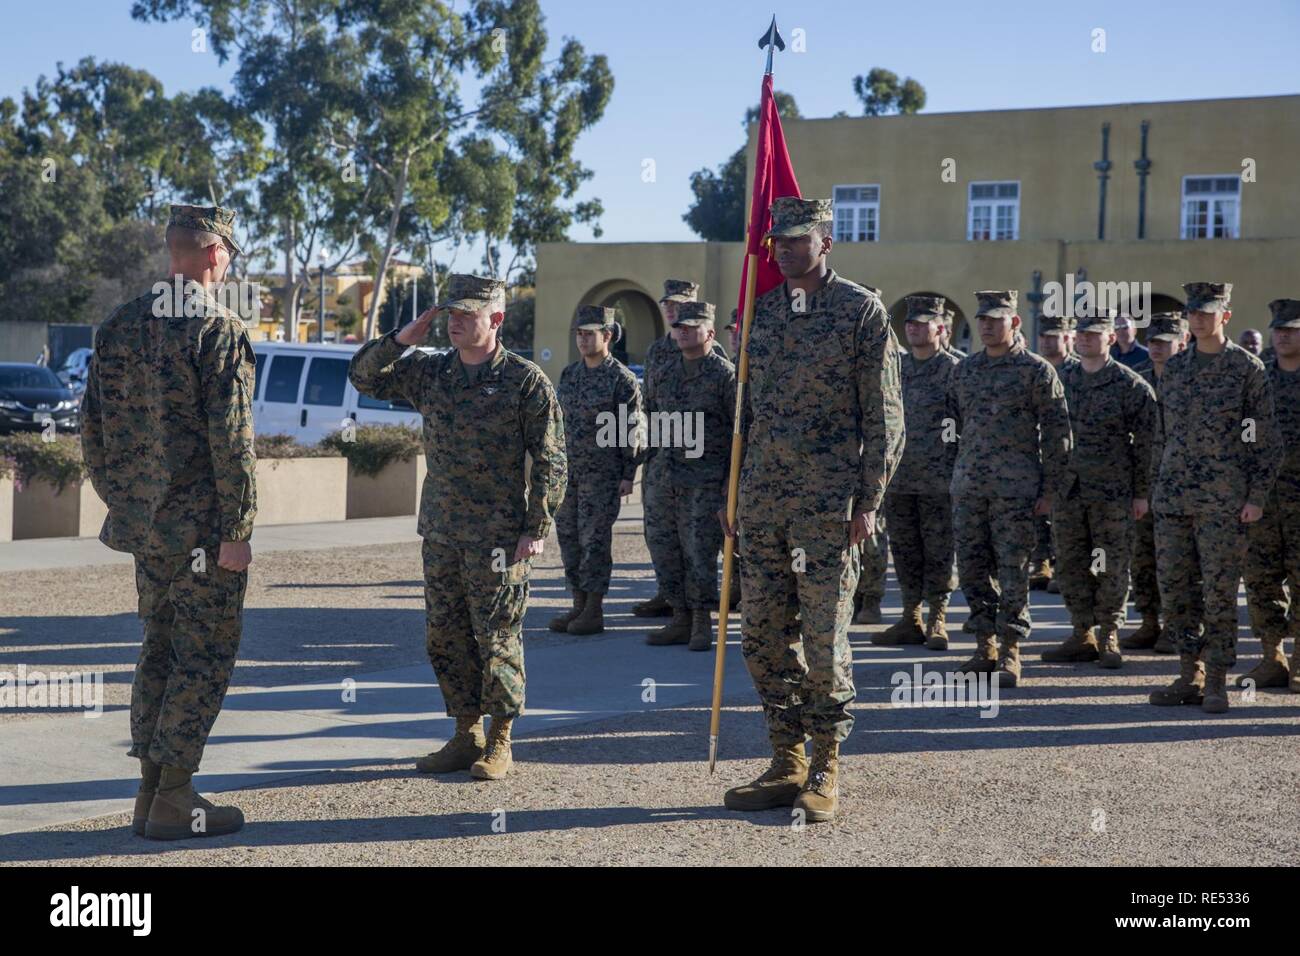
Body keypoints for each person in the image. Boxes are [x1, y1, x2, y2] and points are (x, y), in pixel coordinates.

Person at [719, 196, 903, 823]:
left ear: (827, 240)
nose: (786, 249)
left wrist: (870, 501)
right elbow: (747, 416)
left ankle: (826, 762)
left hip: (829, 507)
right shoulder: (765, 314)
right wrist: (735, 496)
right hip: (766, 503)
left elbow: (884, 417)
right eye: (779, 241)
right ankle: (786, 755)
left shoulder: (860, 311)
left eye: (799, 239)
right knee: (763, 638)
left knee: (824, 641)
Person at [81, 204, 256, 840]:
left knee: (158, 648)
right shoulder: (215, 329)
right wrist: (237, 531)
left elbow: (91, 432)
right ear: (214, 254)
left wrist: (126, 501)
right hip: (205, 532)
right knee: (202, 656)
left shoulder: (120, 325)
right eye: (228, 253)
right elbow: (232, 443)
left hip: (147, 531)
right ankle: (176, 797)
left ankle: (151, 792)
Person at [349, 273, 567, 778]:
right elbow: (363, 377)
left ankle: (501, 740)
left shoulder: (525, 380)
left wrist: (537, 526)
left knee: (497, 637)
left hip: (499, 535)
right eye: (452, 314)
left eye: (468, 314)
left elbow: (552, 458)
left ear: (496, 319)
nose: (456, 323)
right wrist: (402, 340)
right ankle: (465, 732)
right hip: (442, 530)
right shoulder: (432, 372)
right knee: (446, 636)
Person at [1148, 282, 1279, 714]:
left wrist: (1256, 496)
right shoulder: (1176, 368)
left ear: (1225, 314)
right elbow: (1160, 438)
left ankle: (1218, 680)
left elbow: (1265, 440)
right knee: (1176, 590)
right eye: (1193, 312)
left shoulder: (1246, 369)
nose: (1198, 318)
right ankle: (1190, 673)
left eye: (1207, 311)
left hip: (1224, 503)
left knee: (1220, 593)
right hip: (1173, 501)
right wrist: (1154, 491)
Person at [946, 291, 1071, 686]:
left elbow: (1057, 435)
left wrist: (1051, 490)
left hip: (1015, 490)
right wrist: (954, 476)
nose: (986, 325)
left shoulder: (1036, 371)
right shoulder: (965, 370)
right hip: (969, 488)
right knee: (972, 568)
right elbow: (950, 428)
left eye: (995, 319)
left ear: (1014, 323)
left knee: (1013, 570)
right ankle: (985, 646)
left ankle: (1011, 651)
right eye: (982, 319)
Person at [1040, 313, 1155, 669]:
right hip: (1068, 492)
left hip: (1112, 493)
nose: (1085, 339)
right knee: (1071, 564)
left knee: (1110, 564)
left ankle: (1108, 632)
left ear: (1110, 339)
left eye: (1094, 334)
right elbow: (1043, 434)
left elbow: (1148, 444)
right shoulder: (1060, 380)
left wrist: (1141, 493)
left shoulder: (1129, 385)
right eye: (1081, 334)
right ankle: (1081, 632)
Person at [643, 301, 736, 651]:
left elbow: (741, 431)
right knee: (664, 547)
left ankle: (701, 620)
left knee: (699, 552)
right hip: (664, 477)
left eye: (691, 326)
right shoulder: (664, 372)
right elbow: (650, 415)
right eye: (679, 326)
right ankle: (679, 615)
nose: (682, 331)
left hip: (705, 480)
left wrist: (731, 481)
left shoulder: (724, 375)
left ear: (710, 332)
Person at [551, 306, 641, 636]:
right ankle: (577, 603)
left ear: (608, 336)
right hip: (569, 474)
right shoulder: (569, 374)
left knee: (595, 541)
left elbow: (631, 429)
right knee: (569, 538)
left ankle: (594, 609)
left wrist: (628, 474)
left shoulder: (621, 379)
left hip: (602, 476)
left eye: (590, 333)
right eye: (580, 333)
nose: (583, 339)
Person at [877, 295, 960, 650]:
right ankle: (910, 615)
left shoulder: (958, 370)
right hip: (900, 478)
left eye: (923, 322)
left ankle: (937, 618)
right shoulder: (896, 367)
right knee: (906, 550)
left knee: (940, 551)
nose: (913, 327)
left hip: (941, 480)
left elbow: (966, 424)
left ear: (941, 328)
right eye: (910, 322)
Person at [1122, 313, 1197, 655]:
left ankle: (1175, 626)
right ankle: (1149, 621)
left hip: (1184, 486)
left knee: (1180, 561)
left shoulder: (1195, 381)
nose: (1156, 348)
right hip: (1145, 483)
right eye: (1152, 342)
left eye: (1164, 343)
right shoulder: (1137, 382)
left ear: (1182, 344)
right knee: (1143, 558)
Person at [1241, 298, 1300, 693]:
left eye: (1291, 329)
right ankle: (1271, 655)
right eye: (1278, 329)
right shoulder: (1258, 375)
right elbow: (1243, 429)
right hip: (1263, 497)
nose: (1281, 335)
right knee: (1261, 579)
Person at [632, 279, 698, 618]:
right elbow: (648, 405)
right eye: (667, 304)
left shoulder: (707, 351)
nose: (671, 309)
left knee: (693, 537)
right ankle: (668, 592)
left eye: (679, 303)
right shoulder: (657, 351)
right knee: (658, 531)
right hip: (660, 458)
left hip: (695, 463)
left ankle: (693, 607)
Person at [1030, 315, 1079, 591]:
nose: (1048, 342)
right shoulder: (1036, 370)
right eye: (1044, 337)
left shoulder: (1076, 371)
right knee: (1040, 511)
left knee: (1066, 515)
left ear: (1068, 338)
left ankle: (1064, 567)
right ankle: (1041, 562)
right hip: (1039, 449)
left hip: (1072, 455)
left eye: (1054, 337)